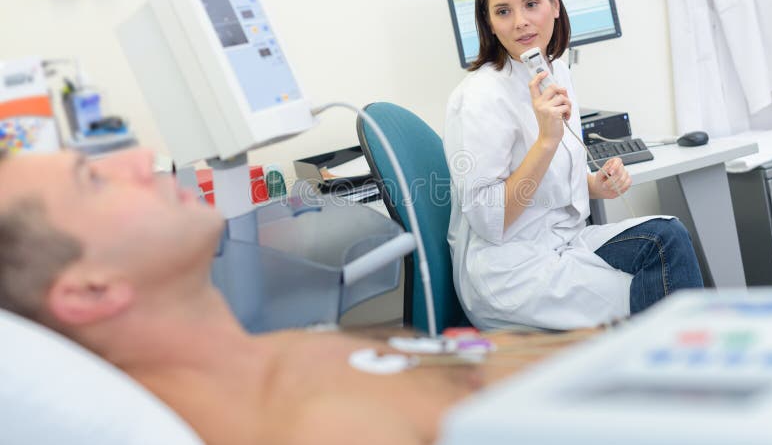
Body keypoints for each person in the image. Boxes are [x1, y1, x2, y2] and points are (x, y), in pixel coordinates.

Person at [0, 147, 591, 445]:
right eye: (94, 178)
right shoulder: (300, 426)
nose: (137, 159)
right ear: (90, 290)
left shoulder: (283, 354)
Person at [444, 0, 703, 331]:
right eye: (503, 11)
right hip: (511, 271)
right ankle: (674, 380)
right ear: (489, 23)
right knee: (659, 289)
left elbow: (550, 187)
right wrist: (546, 140)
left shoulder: (555, 69)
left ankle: (682, 370)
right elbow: (490, 219)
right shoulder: (480, 97)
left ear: (555, 4)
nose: (520, 22)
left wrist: (594, 185)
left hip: (563, 244)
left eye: (531, 4)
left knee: (668, 236)